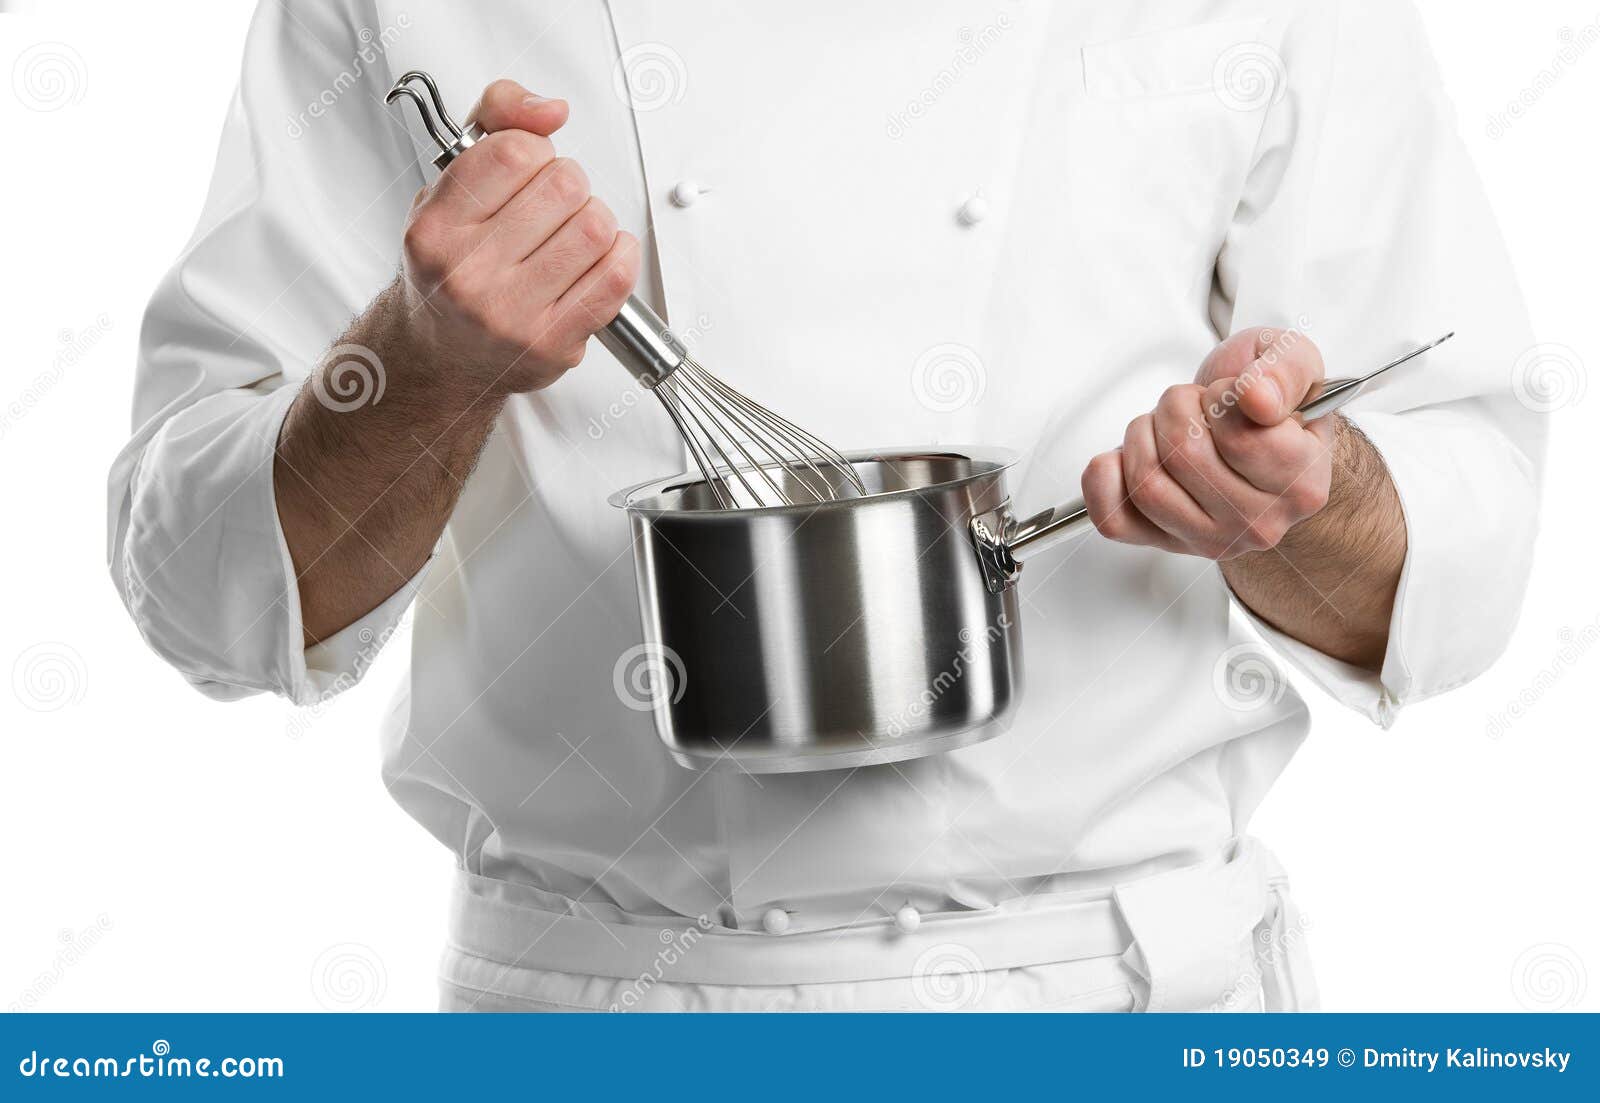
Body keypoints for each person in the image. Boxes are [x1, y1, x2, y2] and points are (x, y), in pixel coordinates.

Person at [107, 0, 1544, 1011]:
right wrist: (420, 367)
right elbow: (209, 598)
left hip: (1121, 1002)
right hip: (598, 1012)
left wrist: (1298, 493)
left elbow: (1459, 570)